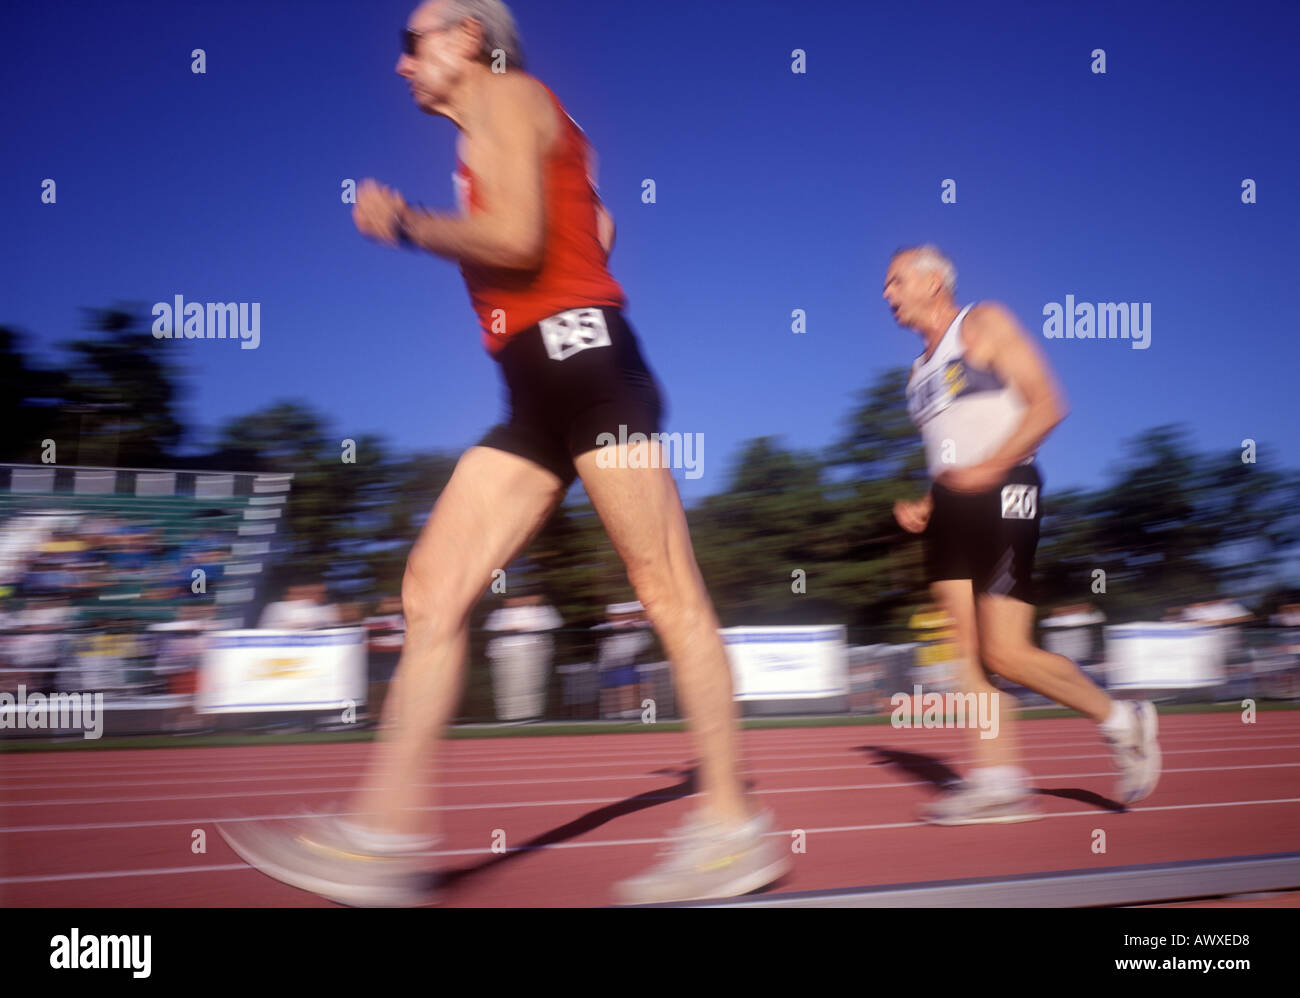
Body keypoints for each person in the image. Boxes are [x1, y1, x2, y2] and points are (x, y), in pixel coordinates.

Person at [219, 0, 787, 906]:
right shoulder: (509, 124)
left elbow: (522, 240)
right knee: (431, 591)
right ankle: (383, 836)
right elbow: (592, 227)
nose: (401, 63)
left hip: (588, 368)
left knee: (667, 591)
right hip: (532, 393)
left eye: (413, 41)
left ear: (469, 39)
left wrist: (407, 223)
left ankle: (732, 829)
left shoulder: (514, 94)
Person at [886, 245, 1161, 823]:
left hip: (1007, 489)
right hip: (951, 509)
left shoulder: (985, 323)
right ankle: (997, 781)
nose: (887, 296)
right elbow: (948, 445)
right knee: (966, 656)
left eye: (895, 282)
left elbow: (1047, 405)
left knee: (1005, 652)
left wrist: (988, 469)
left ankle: (1122, 721)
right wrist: (928, 502)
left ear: (933, 282)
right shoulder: (915, 373)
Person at [483, 590, 561, 720]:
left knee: (530, 687)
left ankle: (530, 716)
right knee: (507, 688)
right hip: (507, 654)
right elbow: (493, 630)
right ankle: (508, 717)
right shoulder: (499, 613)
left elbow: (551, 625)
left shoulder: (544, 611)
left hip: (530, 654)